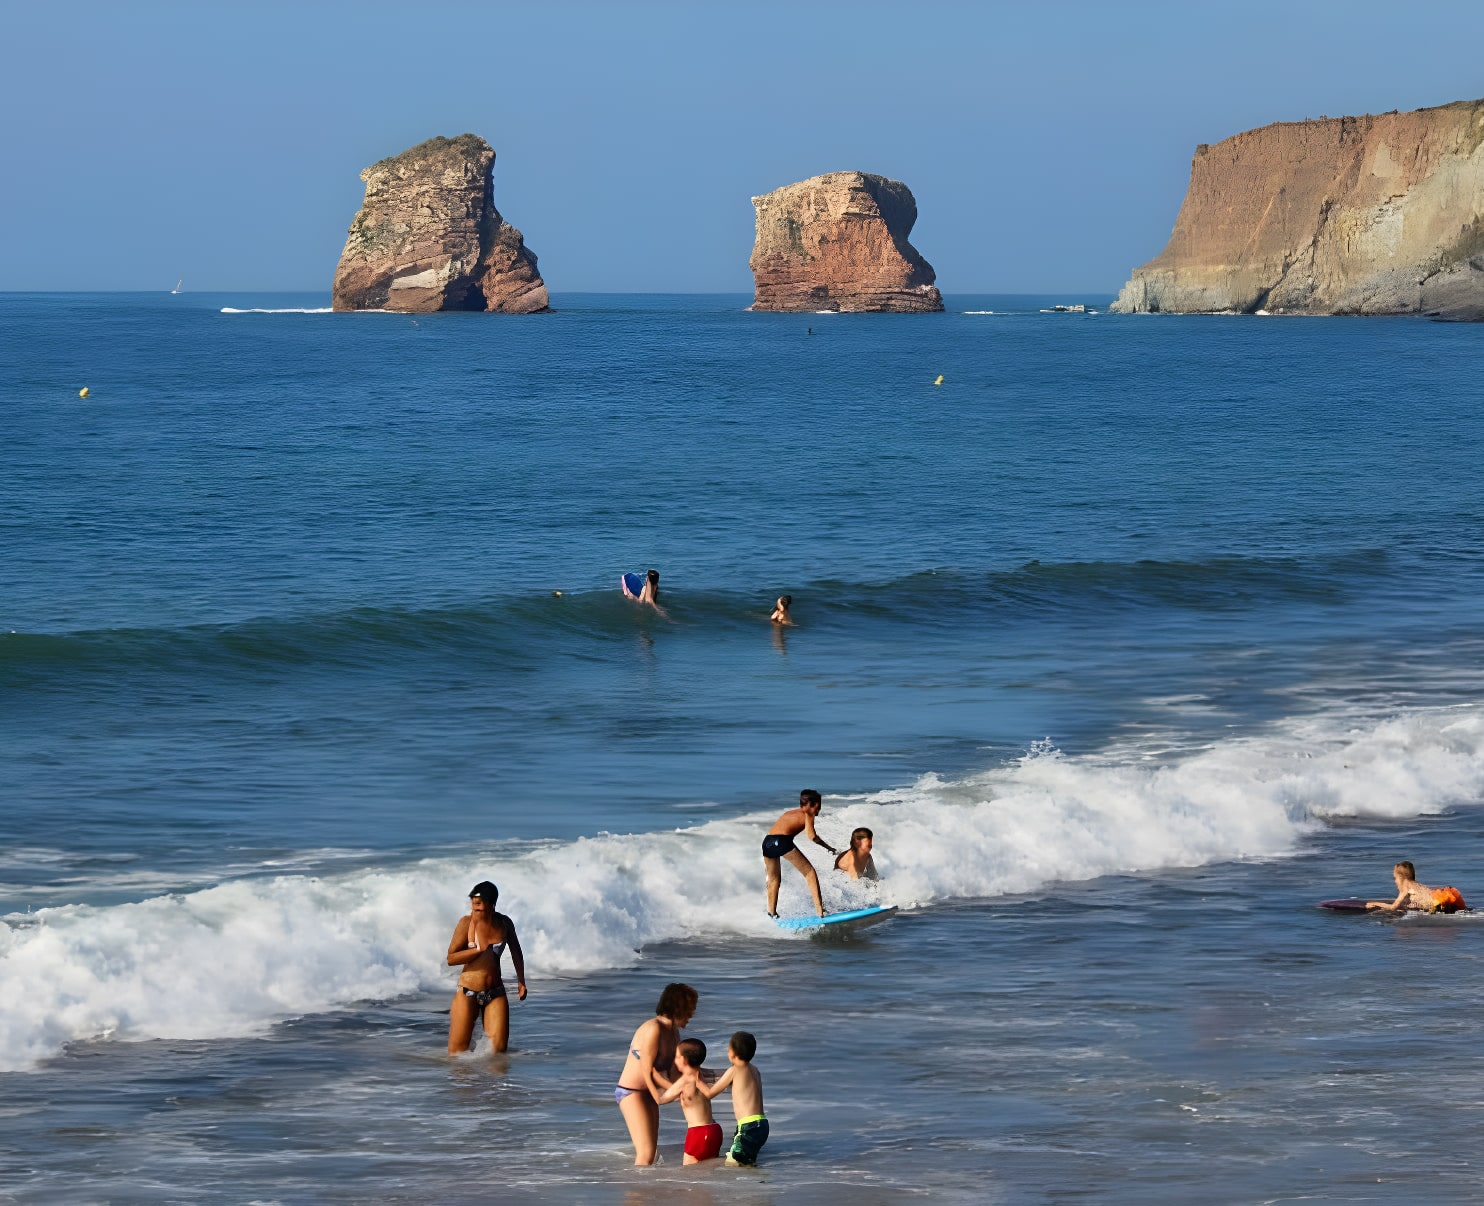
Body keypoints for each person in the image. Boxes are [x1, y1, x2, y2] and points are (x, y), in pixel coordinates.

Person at [615, 982, 698, 1166]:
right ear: (678, 1007)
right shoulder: (654, 1029)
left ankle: (647, 1192)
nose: (692, 1013)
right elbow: (647, 1069)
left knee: (651, 1154)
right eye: (690, 1008)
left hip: (649, 1092)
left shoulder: (673, 1032)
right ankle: (636, 1194)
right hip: (632, 1092)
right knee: (645, 1154)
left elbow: (675, 1071)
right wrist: (659, 1096)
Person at [446, 881, 527, 1054]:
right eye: (473, 906)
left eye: (479, 907)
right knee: (457, 1054)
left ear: (491, 906)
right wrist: (477, 950)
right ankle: (468, 1081)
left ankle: (487, 1081)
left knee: (497, 1054)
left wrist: (521, 980)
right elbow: (451, 958)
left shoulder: (504, 923)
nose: (474, 911)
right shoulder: (465, 923)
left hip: (496, 993)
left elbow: (516, 952)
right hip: (467, 992)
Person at [763, 789, 838, 918]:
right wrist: (829, 848)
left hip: (767, 842)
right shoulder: (808, 813)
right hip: (782, 841)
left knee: (773, 879)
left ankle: (771, 913)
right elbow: (811, 836)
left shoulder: (789, 813)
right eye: (818, 808)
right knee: (810, 873)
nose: (817, 813)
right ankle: (821, 912)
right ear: (812, 805)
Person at [700, 1030, 768, 1167]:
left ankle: (760, 1182)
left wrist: (695, 1078)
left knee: (732, 1165)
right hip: (762, 1124)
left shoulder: (734, 1070)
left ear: (732, 1052)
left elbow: (709, 1093)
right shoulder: (754, 1070)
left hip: (748, 1127)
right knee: (746, 1163)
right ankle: (758, 1184)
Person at [656, 1037, 723, 1164]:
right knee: (708, 1175)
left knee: (689, 1178)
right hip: (714, 1131)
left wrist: (650, 1075)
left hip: (697, 1133)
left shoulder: (685, 1080)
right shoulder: (702, 1075)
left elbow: (660, 1099)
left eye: (676, 1057)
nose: (674, 1060)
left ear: (683, 1059)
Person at [1366, 861, 1468, 914]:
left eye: (1395, 878)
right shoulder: (1417, 885)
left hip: (1436, 906)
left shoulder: (1405, 886)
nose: (1395, 881)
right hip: (1443, 898)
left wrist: (1374, 903)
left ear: (1402, 877)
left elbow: (1393, 907)